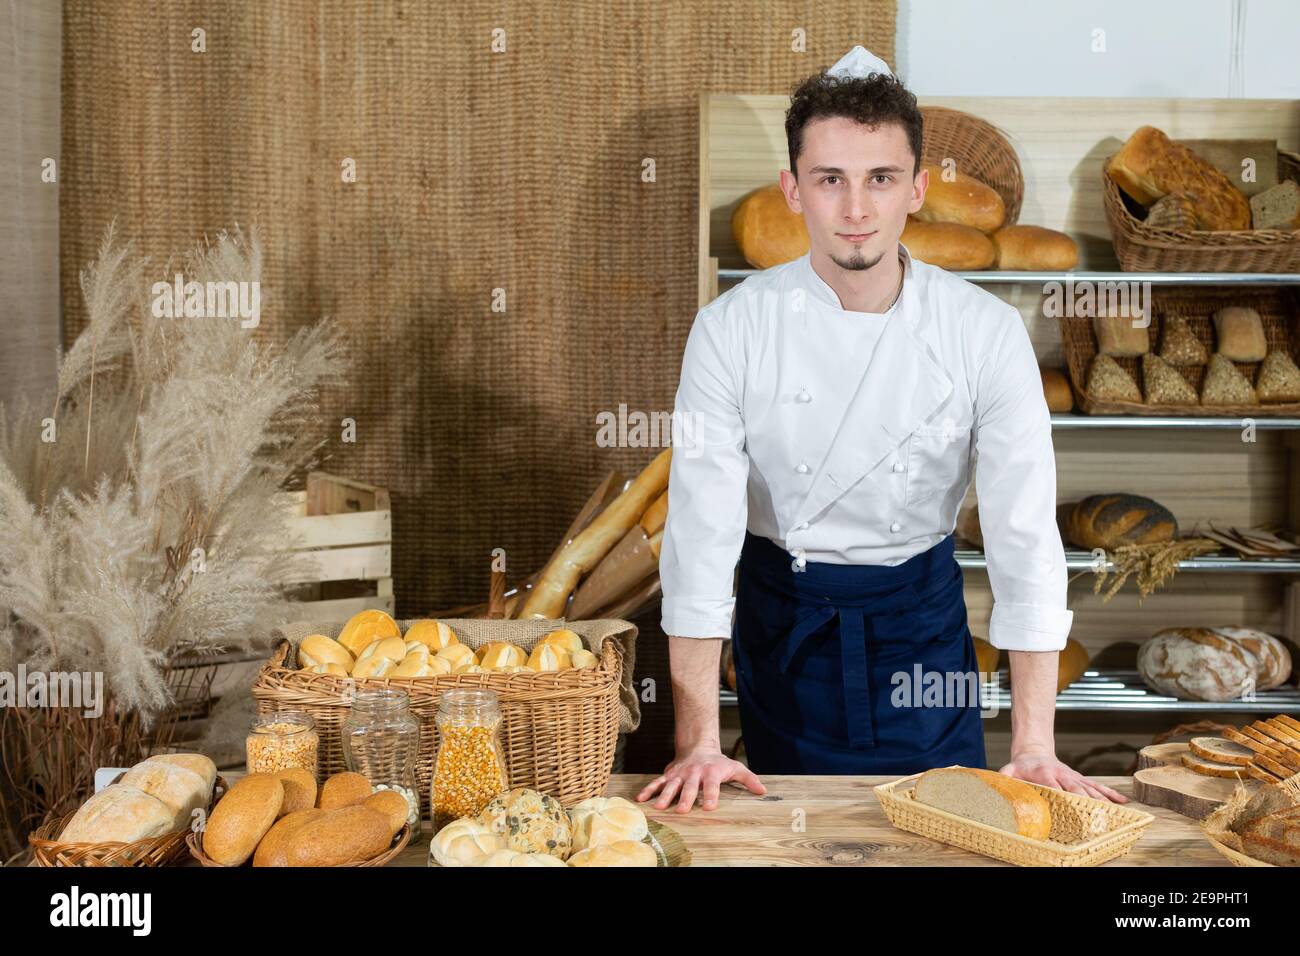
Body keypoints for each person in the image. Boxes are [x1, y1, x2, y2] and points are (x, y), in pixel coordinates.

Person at [638, 46, 1125, 814]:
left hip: (920, 627)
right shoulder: (730, 329)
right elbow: (700, 539)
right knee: (789, 839)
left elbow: (1024, 535)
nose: (856, 209)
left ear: (918, 191)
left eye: (881, 179)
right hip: (785, 625)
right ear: (793, 190)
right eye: (831, 180)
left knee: (947, 832)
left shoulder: (985, 333)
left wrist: (1033, 742)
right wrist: (697, 737)